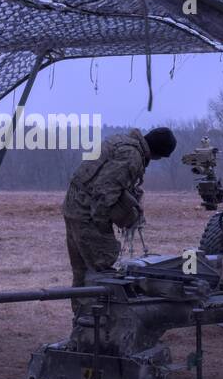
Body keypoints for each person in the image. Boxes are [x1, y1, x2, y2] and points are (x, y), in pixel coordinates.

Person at [62, 126, 176, 315]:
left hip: (74, 206)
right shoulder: (132, 156)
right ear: (157, 154)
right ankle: (98, 325)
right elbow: (105, 190)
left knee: (81, 272)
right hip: (87, 213)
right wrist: (101, 226)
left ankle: (82, 322)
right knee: (102, 266)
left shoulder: (120, 141)